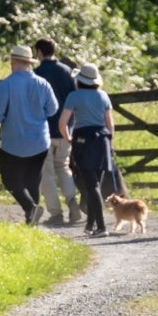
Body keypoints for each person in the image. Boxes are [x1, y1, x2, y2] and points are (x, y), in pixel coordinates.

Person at [0, 45, 59, 226]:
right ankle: (31, 220)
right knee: (33, 180)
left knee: (9, 179)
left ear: (13, 61)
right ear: (28, 62)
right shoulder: (43, 83)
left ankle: (30, 208)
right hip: (40, 141)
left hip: (14, 142)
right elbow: (53, 109)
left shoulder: (7, 84)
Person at [60, 63, 117, 235]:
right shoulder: (103, 95)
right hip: (102, 140)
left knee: (91, 186)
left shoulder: (74, 96)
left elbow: (62, 123)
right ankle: (90, 225)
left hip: (83, 141)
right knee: (96, 185)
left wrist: (69, 138)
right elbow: (110, 124)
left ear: (79, 80)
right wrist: (110, 144)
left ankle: (101, 226)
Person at [30, 38, 79, 226]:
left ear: (39, 52)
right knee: (64, 167)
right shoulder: (67, 72)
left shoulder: (37, 74)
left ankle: (56, 212)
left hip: (44, 131)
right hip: (66, 129)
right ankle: (72, 202)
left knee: (47, 173)